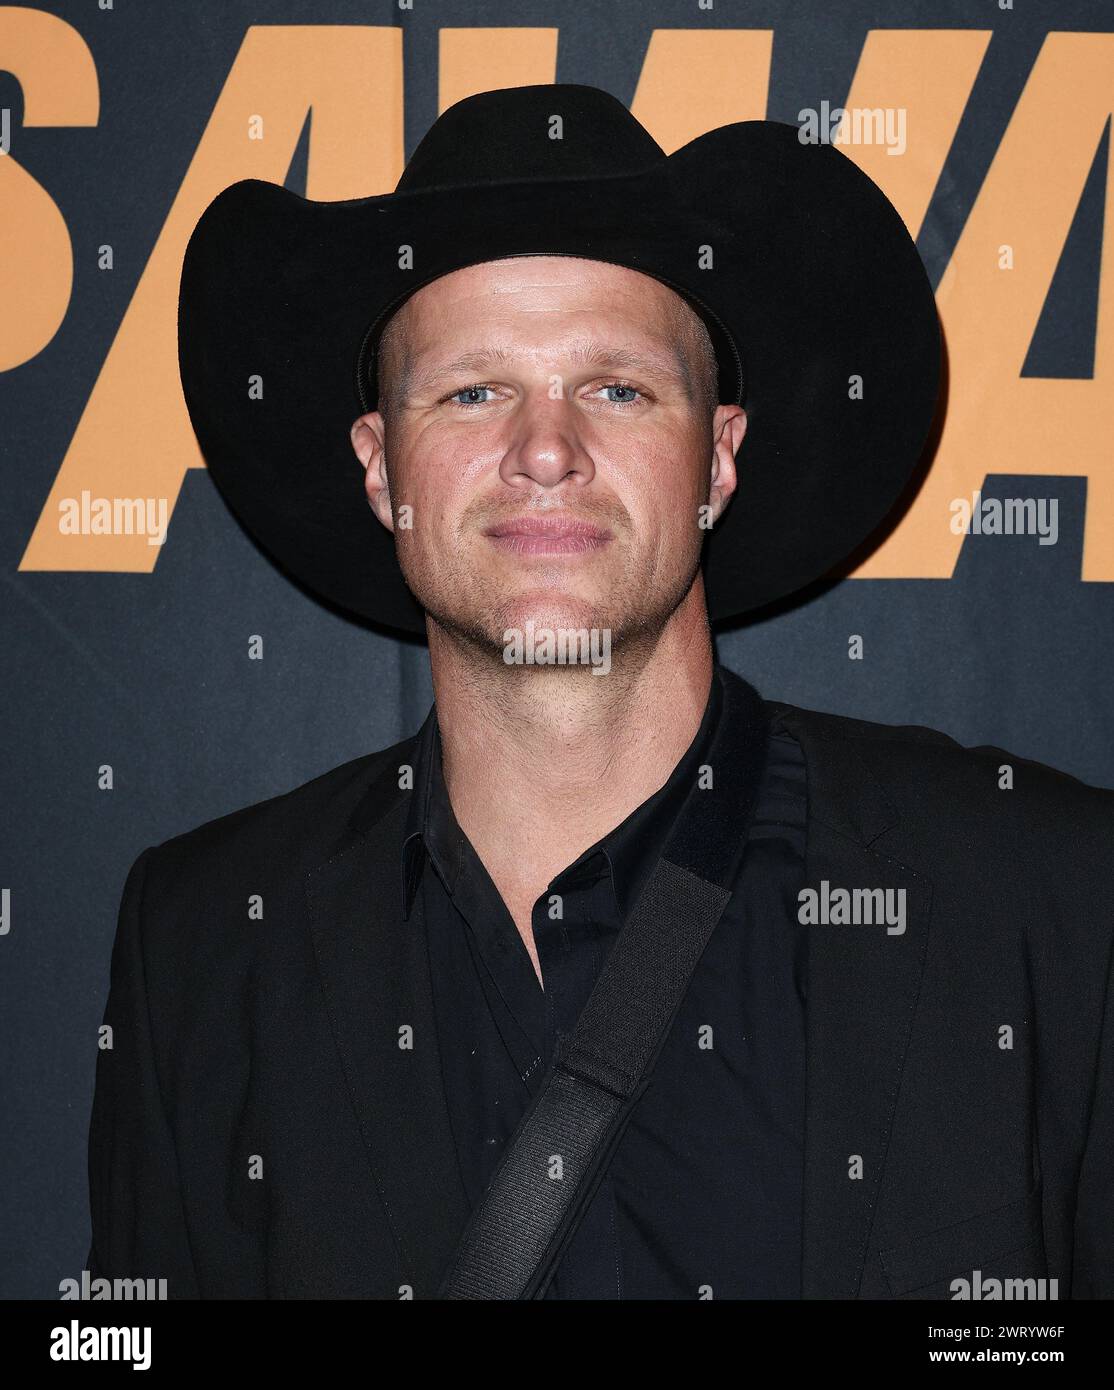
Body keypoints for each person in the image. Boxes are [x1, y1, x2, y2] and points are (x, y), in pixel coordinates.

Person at [88, 84, 1114, 1299]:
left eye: (617, 388)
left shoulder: (1040, 894)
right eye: (472, 390)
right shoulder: (204, 949)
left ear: (718, 455)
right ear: (378, 466)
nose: (544, 448)